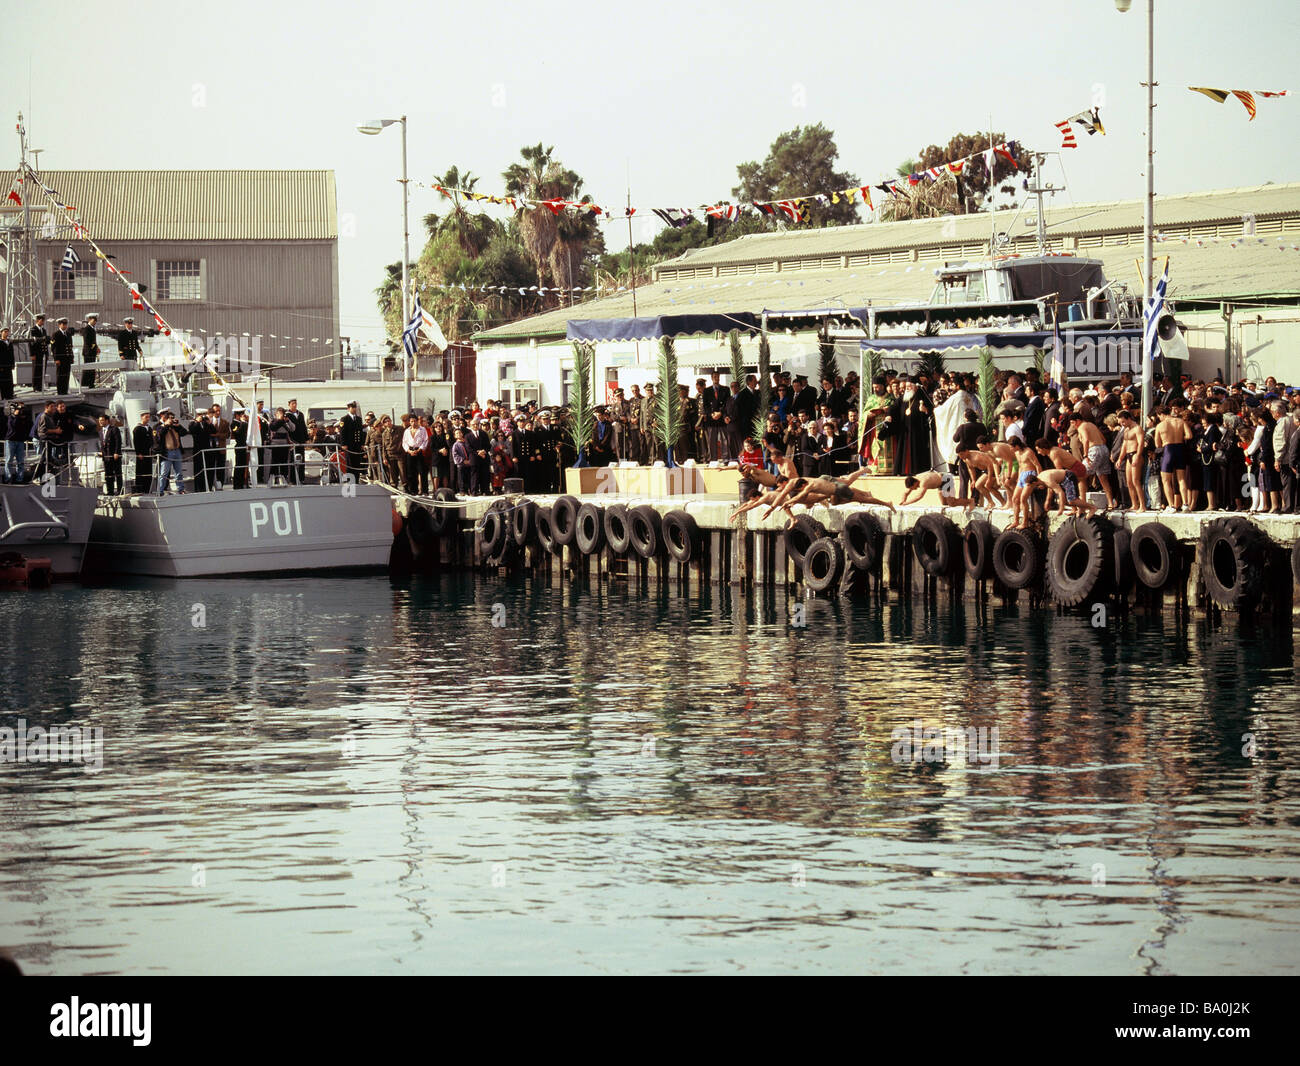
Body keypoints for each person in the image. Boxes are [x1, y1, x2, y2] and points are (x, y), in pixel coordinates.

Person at [1034, 438, 1098, 518]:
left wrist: (1049, 498)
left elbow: (1059, 471)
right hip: (1073, 469)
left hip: (1076, 468)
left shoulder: (1053, 452)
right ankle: (1076, 509)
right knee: (1070, 491)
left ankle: (1082, 508)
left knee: (1068, 490)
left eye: (1038, 450)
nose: (1038, 453)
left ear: (1043, 448)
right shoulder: (1051, 452)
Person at [1152, 406, 1191, 512]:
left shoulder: (1160, 425)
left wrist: (1166, 440)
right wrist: (1180, 437)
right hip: (1180, 449)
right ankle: (1186, 504)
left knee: (1166, 481)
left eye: (1158, 416)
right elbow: (1189, 435)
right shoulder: (1180, 421)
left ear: (1161, 414)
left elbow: (1157, 444)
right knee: (1181, 479)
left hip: (1168, 450)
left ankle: (1171, 505)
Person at [898, 469, 976, 512]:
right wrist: (902, 501)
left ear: (915, 483)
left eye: (913, 487)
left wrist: (907, 503)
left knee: (951, 503)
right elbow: (905, 493)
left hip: (946, 480)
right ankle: (964, 503)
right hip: (940, 484)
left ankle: (970, 501)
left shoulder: (923, 482)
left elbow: (919, 496)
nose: (914, 489)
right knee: (944, 503)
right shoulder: (913, 480)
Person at [1117, 410, 1148, 512]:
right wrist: (1120, 458)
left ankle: (1142, 505)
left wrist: (1138, 456)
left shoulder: (1137, 429)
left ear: (1129, 418)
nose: (1122, 424)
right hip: (1128, 455)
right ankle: (1134, 504)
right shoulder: (1126, 430)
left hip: (1135, 453)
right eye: (1121, 423)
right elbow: (1124, 445)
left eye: (1123, 422)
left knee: (1136, 481)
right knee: (1129, 482)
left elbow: (1140, 443)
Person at [154, 409, 186, 494]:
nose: (172, 419)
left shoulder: (175, 426)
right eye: (170, 418)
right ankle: (160, 490)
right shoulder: (159, 426)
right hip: (167, 452)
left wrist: (178, 425)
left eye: (172, 417)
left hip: (177, 450)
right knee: (164, 473)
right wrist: (166, 425)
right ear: (164, 418)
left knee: (179, 472)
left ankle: (181, 489)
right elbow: (159, 436)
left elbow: (184, 432)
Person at [339, 401, 366, 483]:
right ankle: (350, 481)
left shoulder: (358, 419)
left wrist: (362, 443)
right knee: (349, 464)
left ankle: (356, 481)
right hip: (349, 445)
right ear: (348, 408)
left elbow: (360, 432)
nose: (354, 409)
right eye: (352, 407)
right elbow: (342, 433)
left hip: (357, 445)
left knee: (356, 463)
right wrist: (343, 444)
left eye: (355, 407)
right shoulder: (344, 419)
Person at [3, 401, 30, 483]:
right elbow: (13, 426)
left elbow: (27, 426)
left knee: (20, 461)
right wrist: (16, 415)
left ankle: (20, 479)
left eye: (22, 408)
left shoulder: (25, 418)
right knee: (9, 460)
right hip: (11, 440)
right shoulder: (11, 417)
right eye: (20, 408)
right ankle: (8, 478)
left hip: (20, 441)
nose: (22, 410)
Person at [402, 412, 428, 494]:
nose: (413, 423)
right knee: (411, 472)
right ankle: (413, 490)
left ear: (417, 421)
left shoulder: (422, 429)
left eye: (414, 421)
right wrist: (409, 451)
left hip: (418, 451)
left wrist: (419, 449)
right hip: (410, 452)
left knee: (422, 471)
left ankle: (424, 490)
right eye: (411, 421)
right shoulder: (407, 431)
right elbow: (404, 442)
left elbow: (425, 440)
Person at [97, 414, 123, 496]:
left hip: (114, 455)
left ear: (107, 421)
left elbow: (118, 442)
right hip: (106, 456)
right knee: (108, 475)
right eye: (99, 420)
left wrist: (116, 452)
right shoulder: (101, 431)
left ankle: (120, 490)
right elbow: (102, 443)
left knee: (117, 473)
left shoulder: (114, 429)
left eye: (102, 420)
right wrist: (102, 452)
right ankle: (110, 491)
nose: (100, 422)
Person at [285, 398, 307, 484]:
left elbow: (303, 426)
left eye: (295, 403)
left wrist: (306, 438)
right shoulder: (287, 415)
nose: (294, 405)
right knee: (292, 460)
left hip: (301, 440)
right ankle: (292, 479)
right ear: (289, 405)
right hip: (293, 440)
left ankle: (301, 478)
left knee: (301, 460)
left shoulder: (300, 414)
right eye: (293, 403)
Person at [51, 318, 74, 395]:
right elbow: (54, 348)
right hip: (60, 359)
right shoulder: (56, 334)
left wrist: (72, 357)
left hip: (67, 358)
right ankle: (60, 391)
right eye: (63, 324)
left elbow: (70, 346)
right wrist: (56, 359)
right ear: (59, 325)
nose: (65, 326)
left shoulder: (68, 334)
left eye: (66, 324)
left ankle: (65, 390)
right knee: (60, 375)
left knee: (66, 375)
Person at [231, 408, 250, 489]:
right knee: (238, 465)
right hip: (239, 446)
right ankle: (237, 484)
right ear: (237, 415)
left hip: (244, 445)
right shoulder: (234, 423)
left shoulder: (244, 423)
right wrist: (242, 422)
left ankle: (242, 483)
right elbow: (237, 432)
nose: (243, 416)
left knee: (243, 465)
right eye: (241, 415)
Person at [28, 315, 48, 392]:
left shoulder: (44, 330)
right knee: (36, 370)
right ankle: (36, 387)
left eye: (43, 320)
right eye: (41, 320)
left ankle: (41, 386)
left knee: (42, 370)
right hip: (36, 353)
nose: (42, 321)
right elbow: (31, 343)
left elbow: (45, 341)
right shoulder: (33, 330)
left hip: (43, 353)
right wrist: (32, 354)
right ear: (37, 320)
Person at [80, 314, 101, 389]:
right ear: (89, 320)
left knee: (92, 368)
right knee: (87, 368)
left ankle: (91, 383)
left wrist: (97, 347)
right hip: (88, 352)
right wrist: (95, 347)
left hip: (92, 351)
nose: (95, 322)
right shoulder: (86, 329)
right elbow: (87, 341)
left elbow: (93, 341)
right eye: (93, 320)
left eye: (95, 320)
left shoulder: (92, 328)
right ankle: (85, 384)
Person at [0, 326, 14, 401]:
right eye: (4, 332)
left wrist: (13, 364)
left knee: (9, 380)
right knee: (3, 381)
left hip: (8, 364)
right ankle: (4, 395)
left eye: (7, 332)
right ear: (1, 333)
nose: (6, 333)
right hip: (2, 365)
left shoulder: (9, 342)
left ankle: (10, 394)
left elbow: (12, 354)